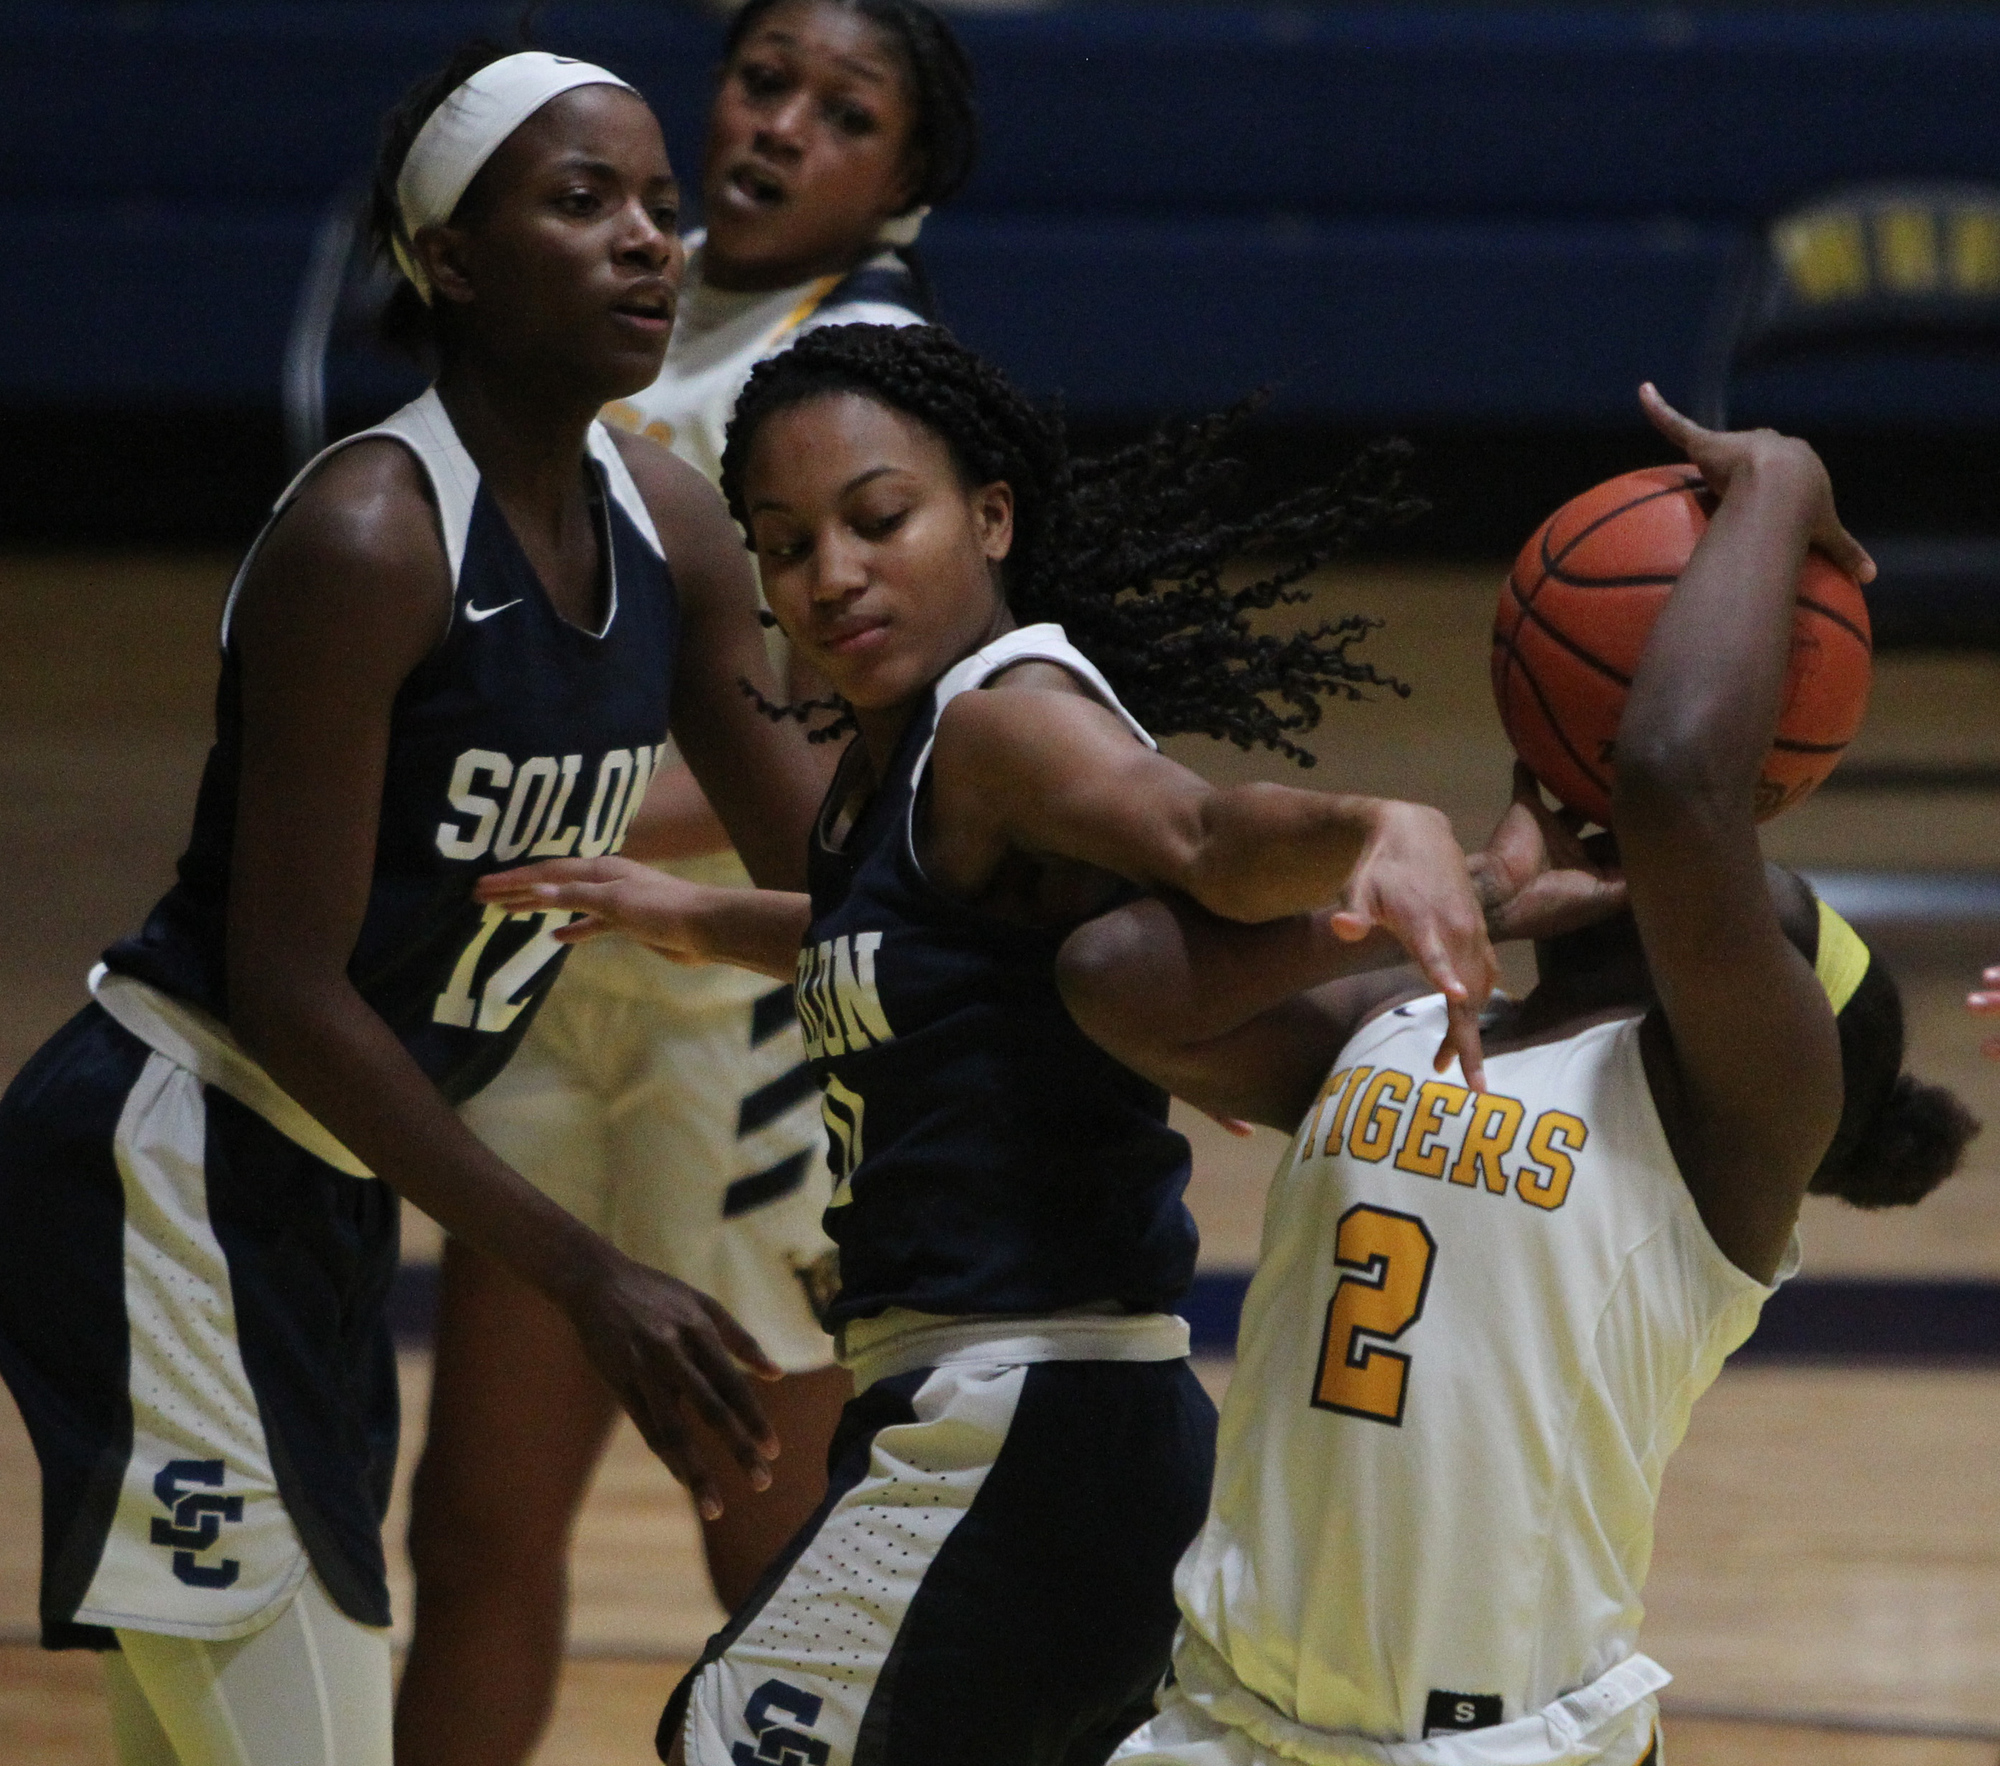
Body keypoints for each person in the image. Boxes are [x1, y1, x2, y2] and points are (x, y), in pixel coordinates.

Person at [477, 320, 1501, 1766]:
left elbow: (1201, 832)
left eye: (879, 518)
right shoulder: (895, 765)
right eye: (784, 544)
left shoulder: (1008, 723)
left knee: (731, 1741)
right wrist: (690, 919)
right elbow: (918, 963)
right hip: (1065, 1434)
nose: (831, 574)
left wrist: (1377, 828)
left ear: (993, 516)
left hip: (1025, 1423)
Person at [0, 48, 827, 1766]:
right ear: (448, 257)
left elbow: (842, 865)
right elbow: (291, 989)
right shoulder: (372, 533)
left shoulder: (671, 523)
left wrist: (1110, 844)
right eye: (582, 201)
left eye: (661, 208)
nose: (646, 244)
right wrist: (588, 1269)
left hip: (318, 1199)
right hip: (172, 1168)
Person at [1049, 388, 1982, 1766]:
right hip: (1217, 1725)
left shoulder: (1727, 1122)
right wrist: (1464, 891)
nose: (1726, 896)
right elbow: (1104, 978)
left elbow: (1672, 778)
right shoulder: (1408, 1011)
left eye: (1758, 915)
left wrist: (1784, 480)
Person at [399, 16, 977, 1761]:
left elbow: (837, 720)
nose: (781, 125)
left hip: (746, 1029)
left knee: (774, 1561)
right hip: (549, 991)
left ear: (907, 185)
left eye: (845, 112)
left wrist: (485, 813)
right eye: (766, 77)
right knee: (477, 1529)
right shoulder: (610, 277)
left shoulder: (864, 373)